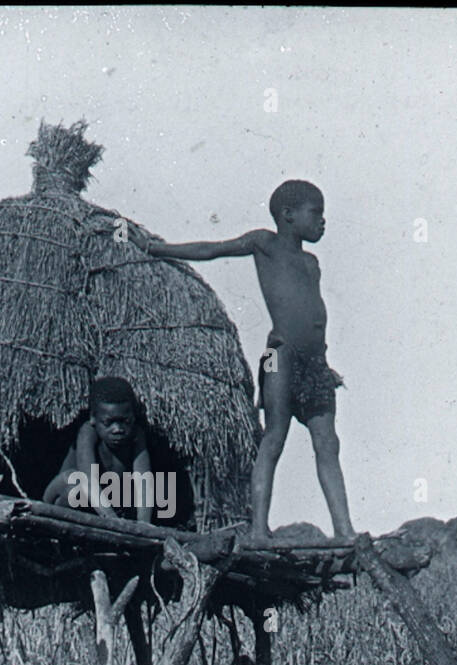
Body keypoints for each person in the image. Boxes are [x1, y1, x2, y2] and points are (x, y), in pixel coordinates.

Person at [130, 179, 355, 542]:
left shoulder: (312, 263)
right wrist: (156, 249)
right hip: (278, 355)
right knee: (274, 437)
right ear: (287, 215)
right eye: (316, 213)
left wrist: (324, 365)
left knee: (327, 443)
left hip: (316, 362)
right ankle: (258, 529)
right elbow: (212, 248)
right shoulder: (264, 243)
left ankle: (345, 530)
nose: (323, 221)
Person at [43, 376, 159, 524]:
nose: (118, 429)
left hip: (107, 502)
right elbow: (88, 481)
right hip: (69, 497)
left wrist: (144, 524)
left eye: (125, 421)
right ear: (93, 418)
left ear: (133, 417)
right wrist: (112, 521)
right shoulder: (88, 432)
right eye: (109, 423)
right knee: (74, 480)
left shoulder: (137, 436)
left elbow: (144, 480)